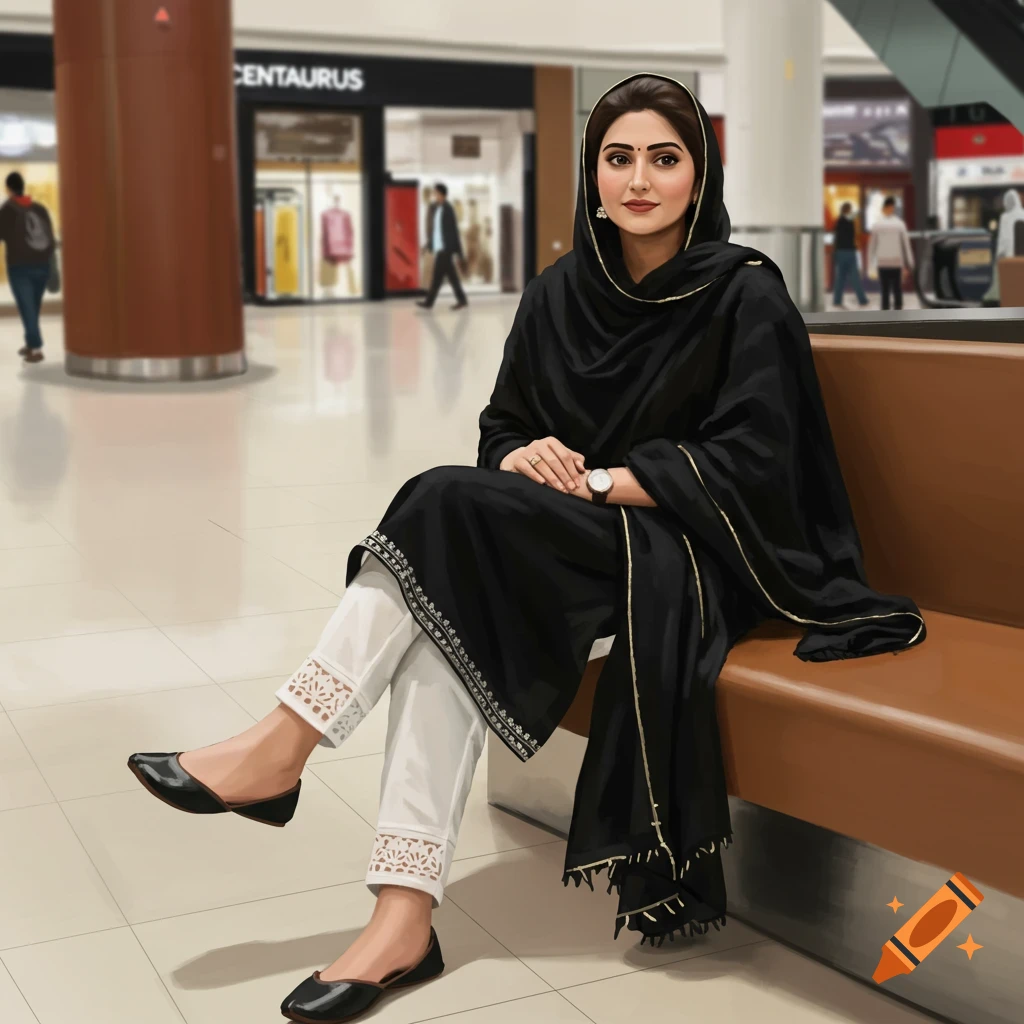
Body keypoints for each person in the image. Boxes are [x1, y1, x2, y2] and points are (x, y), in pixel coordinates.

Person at [128, 76, 925, 1024]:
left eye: (664, 159)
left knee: (436, 511)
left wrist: (597, 481)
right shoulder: (558, 294)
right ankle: (402, 916)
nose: (639, 180)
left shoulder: (743, 293)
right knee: (444, 610)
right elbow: (502, 424)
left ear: (698, 177)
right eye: (618, 158)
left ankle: (283, 745)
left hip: (684, 551)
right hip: (568, 543)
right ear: (592, 178)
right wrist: (520, 452)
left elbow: (759, 461)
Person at [0, 171, 55, 364]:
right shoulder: (39, 208)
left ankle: (37, 348)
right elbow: (50, 237)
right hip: (42, 265)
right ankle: (30, 344)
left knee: (27, 308)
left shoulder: (8, 209)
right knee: (32, 307)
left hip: (20, 266)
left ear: (8, 188)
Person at [417, 182, 468, 310]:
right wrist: (428, 245)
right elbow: (436, 231)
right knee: (450, 276)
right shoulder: (437, 208)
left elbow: (453, 231)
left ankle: (429, 302)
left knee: (437, 277)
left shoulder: (448, 209)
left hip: (446, 248)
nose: (434, 195)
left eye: (436, 193)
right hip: (440, 248)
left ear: (441, 194)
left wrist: (459, 252)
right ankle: (462, 299)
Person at [868, 196, 914, 311]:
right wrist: (911, 262)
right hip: (895, 263)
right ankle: (898, 316)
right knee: (897, 289)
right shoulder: (899, 224)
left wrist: (869, 265)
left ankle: (886, 316)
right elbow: (906, 245)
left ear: (884, 208)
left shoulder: (877, 225)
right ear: (892, 207)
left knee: (885, 291)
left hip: (883, 263)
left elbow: (871, 247)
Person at [831, 201, 868, 309]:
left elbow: (835, 239)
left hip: (840, 252)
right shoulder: (850, 221)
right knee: (854, 277)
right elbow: (856, 214)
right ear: (848, 210)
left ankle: (837, 300)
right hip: (849, 252)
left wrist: (835, 253)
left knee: (840, 278)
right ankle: (862, 299)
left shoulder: (838, 222)